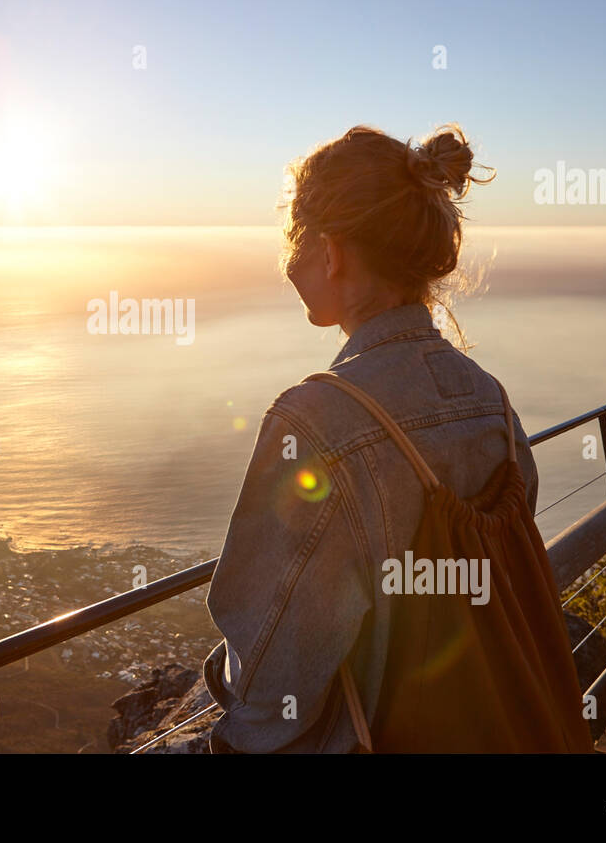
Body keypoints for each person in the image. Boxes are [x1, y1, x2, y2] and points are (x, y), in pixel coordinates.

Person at [202, 122, 546, 753]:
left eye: (292, 241)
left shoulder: (316, 422)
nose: (287, 264)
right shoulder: (494, 402)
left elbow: (273, 673)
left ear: (329, 252)